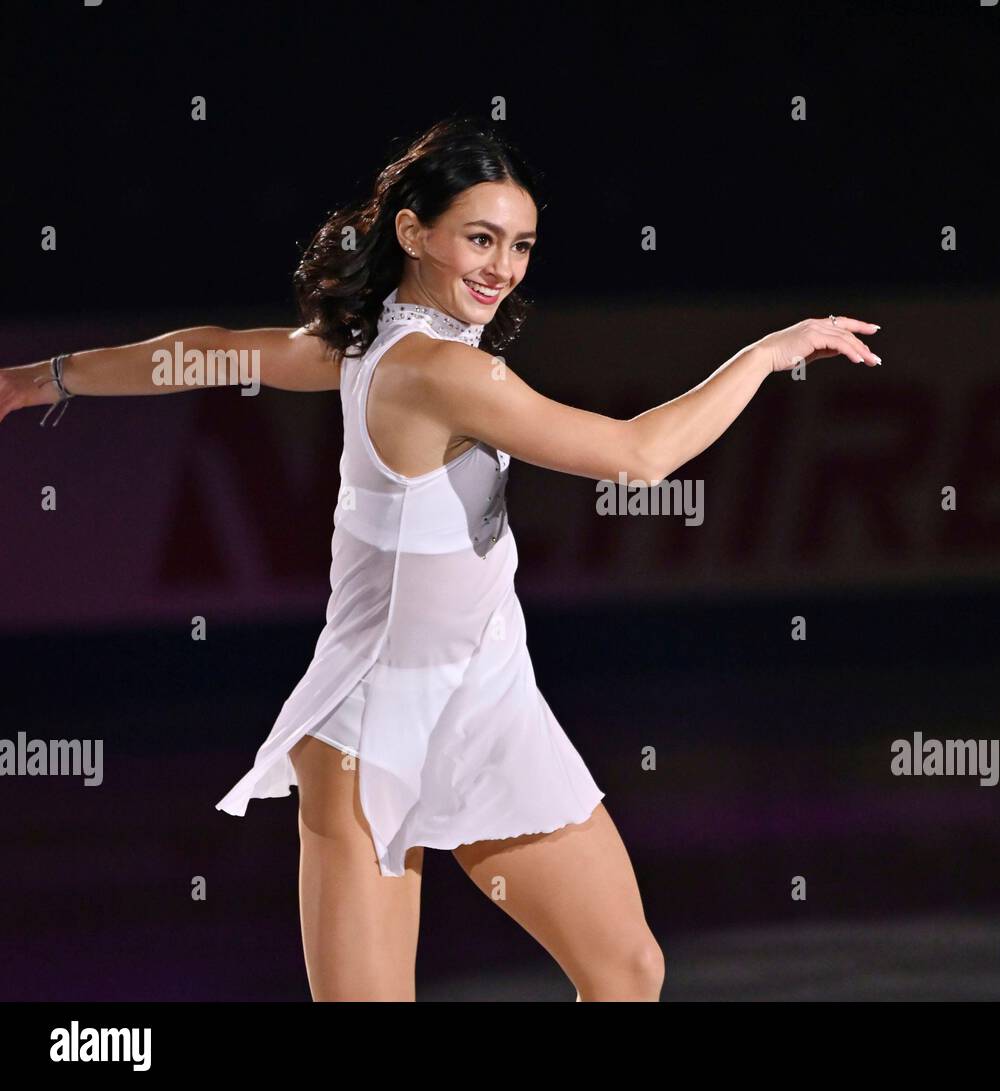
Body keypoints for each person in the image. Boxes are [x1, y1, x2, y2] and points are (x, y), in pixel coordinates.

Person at [0, 116, 880, 1001]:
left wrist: (36, 379)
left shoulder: (378, 344)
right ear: (414, 233)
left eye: (521, 245)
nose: (502, 266)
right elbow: (636, 456)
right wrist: (768, 353)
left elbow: (206, 353)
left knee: (626, 969)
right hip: (371, 730)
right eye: (480, 238)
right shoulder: (430, 368)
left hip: (487, 700)